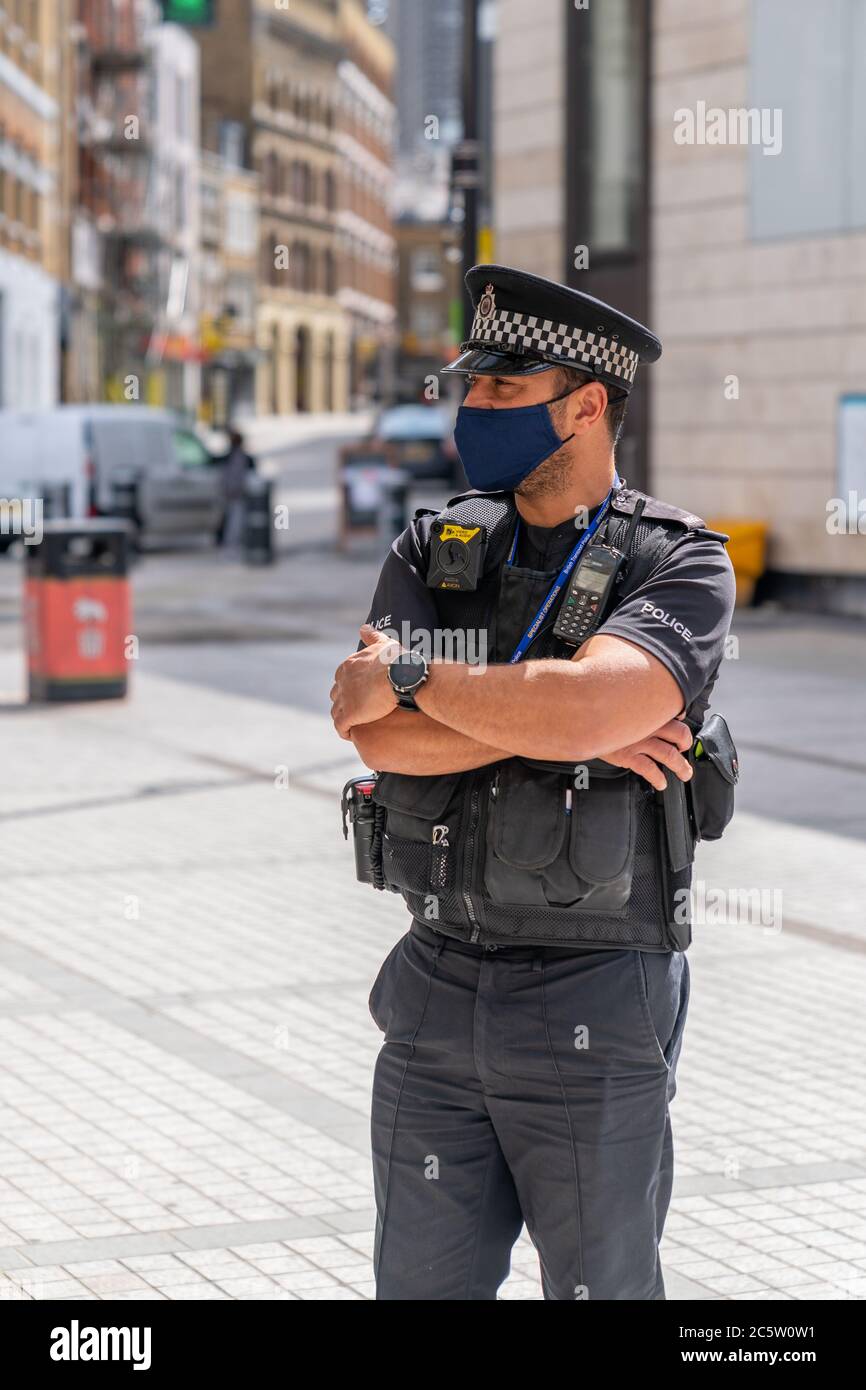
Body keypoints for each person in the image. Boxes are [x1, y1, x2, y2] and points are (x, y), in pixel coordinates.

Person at [330, 265, 736, 1300]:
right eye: (471, 387)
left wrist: (419, 679)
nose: (474, 409)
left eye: (503, 390)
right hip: (432, 982)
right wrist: (559, 721)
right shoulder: (441, 544)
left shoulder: (673, 561)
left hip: (595, 993)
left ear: (586, 404)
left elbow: (586, 705)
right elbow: (370, 734)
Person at [219, 427, 255, 549]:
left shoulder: (236, 457)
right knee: (236, 522)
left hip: (237, 494)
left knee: (236, 522)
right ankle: (235, 544)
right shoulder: (238, 457)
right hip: (235, 494)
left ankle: (235, 545)